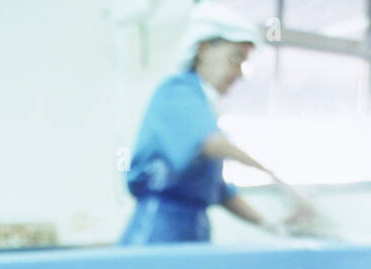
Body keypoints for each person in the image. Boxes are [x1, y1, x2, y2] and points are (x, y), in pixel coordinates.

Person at [119, 1, 312, 245]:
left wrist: (270, 225)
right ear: (204, 48)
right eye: (235, 58)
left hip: (195, 231)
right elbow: (212, 143)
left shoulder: (203, 107)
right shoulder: (177, 92)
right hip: (158, 230)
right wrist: (279, 181)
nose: (240, 73)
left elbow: (221, 192)